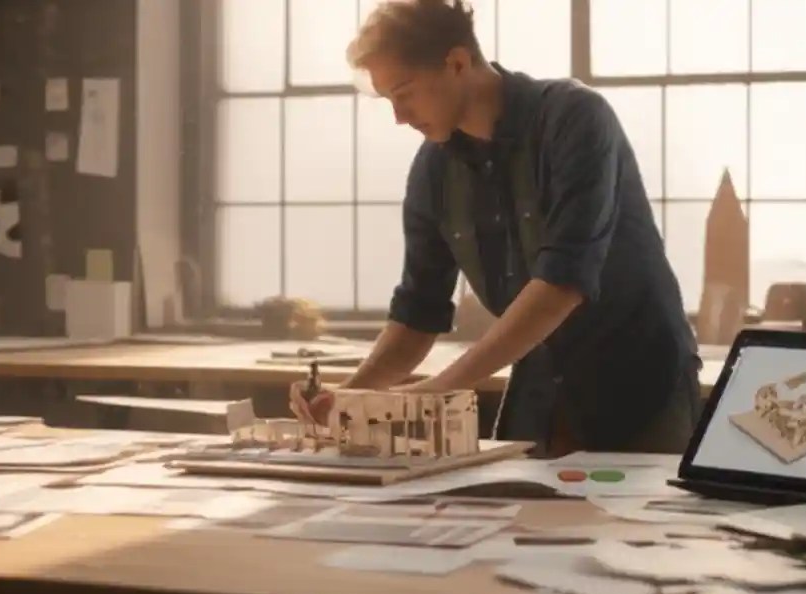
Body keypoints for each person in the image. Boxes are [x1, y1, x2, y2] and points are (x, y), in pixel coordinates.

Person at [290, 0, 702, 456]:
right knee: (515, 520)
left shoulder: (574, 118)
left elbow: (562, 284)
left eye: (404, 92)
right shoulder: (433, 170)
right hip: (540, 386)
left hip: (639, 382)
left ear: (458, 63)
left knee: (642, 521)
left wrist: (432, 394)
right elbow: (419, 312)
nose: (399, 116)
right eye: (389, 100)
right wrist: (349, 397)